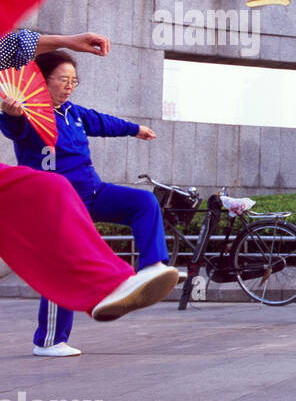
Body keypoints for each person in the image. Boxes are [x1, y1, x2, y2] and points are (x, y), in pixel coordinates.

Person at [0, 28, 178, 322]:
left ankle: (151, 268)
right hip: (59, 204)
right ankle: (51, 340)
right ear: (43, 80)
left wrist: (137, 129)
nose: (69, 87)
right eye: (63, 80)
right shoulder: (29, 112)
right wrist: (12, 115)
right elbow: (15, 132)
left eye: (74, 81)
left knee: (143, 203)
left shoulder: (74, 113)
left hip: (93, 193)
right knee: (64, 266)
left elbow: (104, 122)